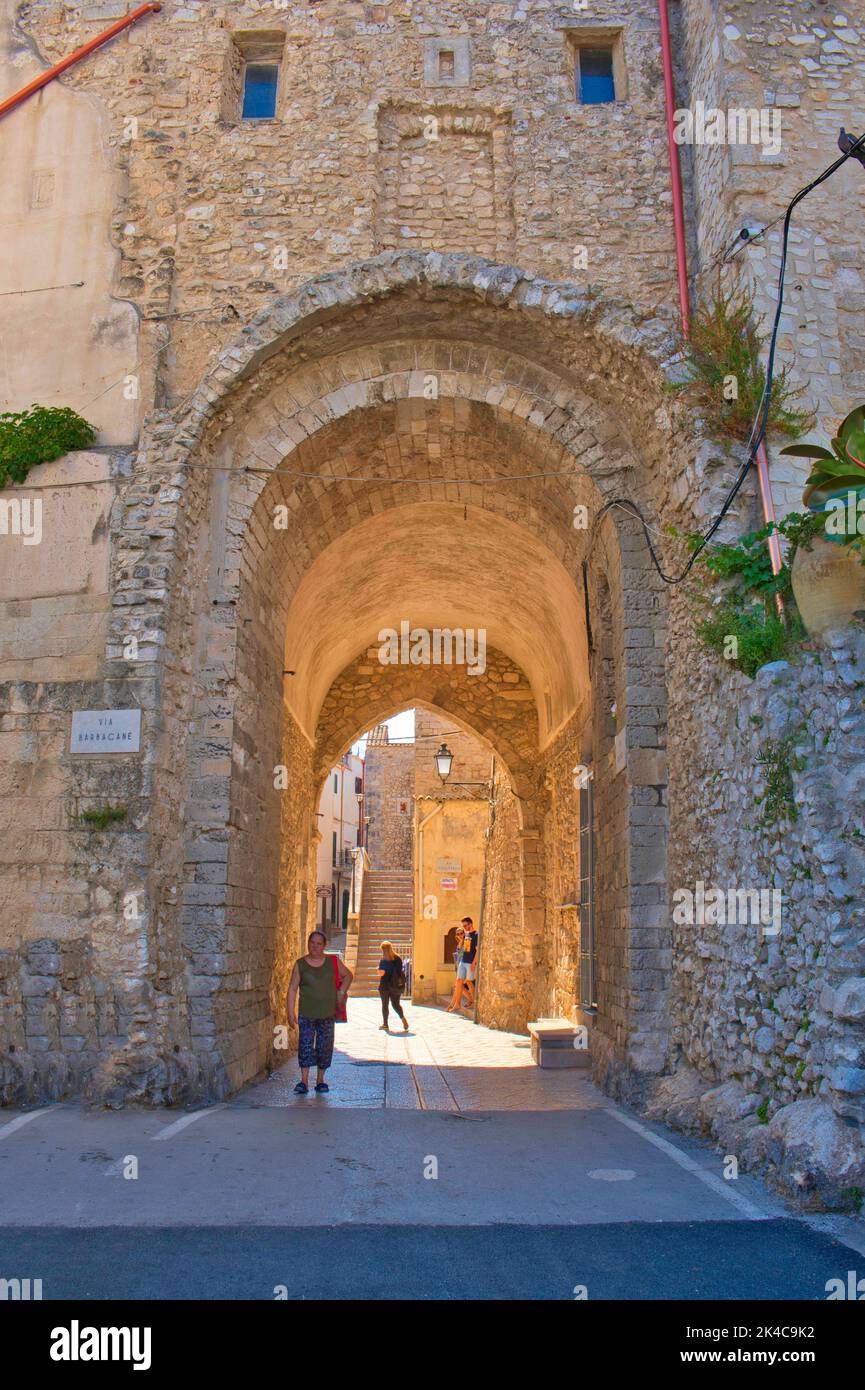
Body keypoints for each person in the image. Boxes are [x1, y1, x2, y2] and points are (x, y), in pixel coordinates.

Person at [287, 930, 352, 1094]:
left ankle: (320, 1080)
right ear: (308, 943)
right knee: (305, 1046)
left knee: (325, 1047)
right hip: (306, 1013)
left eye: (318, 944)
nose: (314, 947)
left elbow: (348, 975)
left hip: (327, 1013)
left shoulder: (333, 962)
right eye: (312, 943)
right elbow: (293, 988)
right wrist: (290, 1011)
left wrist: (341, 992)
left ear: (324, 946)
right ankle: (303, 1081)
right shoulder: (300, 964)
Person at [377, 940, 408, 1033]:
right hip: (395, 985)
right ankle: (402, 1018)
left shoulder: (383, 961)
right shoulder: (398, 959)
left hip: (385, 985)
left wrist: (380, 971)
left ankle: (385, 1024)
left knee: (385, 1005)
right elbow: (399, 971)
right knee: (395, 1004)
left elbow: (382, 973)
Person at [448, 916, 477, 1012]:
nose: (464, 928)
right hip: (462, 962)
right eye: (458, 934)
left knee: (468, 982)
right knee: (459, 982)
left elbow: (477, 950)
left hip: (469, 963)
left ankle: (473, 1001)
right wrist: (461, 942)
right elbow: (461, 954)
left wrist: (474, 963)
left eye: (465, 926)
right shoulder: (466, 936)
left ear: (470, 924)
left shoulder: (475, 935)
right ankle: (457, 1004)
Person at [445, 924, 465, 1012]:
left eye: (461, 933)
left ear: (464, 933)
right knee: (459, 986)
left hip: (464, 965)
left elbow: (463, 954)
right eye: (458, 934)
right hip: (459, 965)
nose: (460, 935)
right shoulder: (459, 943)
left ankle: (452, 1005)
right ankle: (470, 1000)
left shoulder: (466, 942)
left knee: (458, 986)